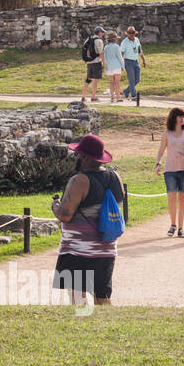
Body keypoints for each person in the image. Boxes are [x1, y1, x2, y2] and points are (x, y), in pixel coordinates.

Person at [51, 133, 123, 306]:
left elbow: (65, 215)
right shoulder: (115, 177)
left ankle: (81, 330)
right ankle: (107, 330)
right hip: (106, 249)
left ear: (84, 157)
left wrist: (55, 205)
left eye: (77, 154)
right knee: (103, 298)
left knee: (78, 298)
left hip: (78, 250)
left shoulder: (79, 180)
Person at [155, 107, 184, 238]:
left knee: (182, 199)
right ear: (174, 118)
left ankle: (181, 228)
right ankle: (172, 225)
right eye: (179, 116)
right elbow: (161, 150)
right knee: (172, 197)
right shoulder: (167, 133)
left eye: (183, 116)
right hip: (170, 169)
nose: (182, 118)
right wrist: (158, 163)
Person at [80, 25, 105, 103]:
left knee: (88, 79)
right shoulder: (99, 41)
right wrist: (104, 63)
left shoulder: (88, 39)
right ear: (99, 33)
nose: (103, 34)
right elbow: (101, 53)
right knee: (96, 79)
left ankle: (83, 97)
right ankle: (93, 97)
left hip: (89, 61)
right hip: (96, 61)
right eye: (102, 32)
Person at [120, 26, 146, 100]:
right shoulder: (124, 42)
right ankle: (134, 96)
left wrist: (143, 60)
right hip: (128, 61)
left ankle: (126, 91)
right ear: (127, 34)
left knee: (137, 79)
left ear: (134, 33)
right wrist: (121, 64)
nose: (131, 34)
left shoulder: (137, 40)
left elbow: (140, 50)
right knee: (132, 79)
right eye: (129, 33)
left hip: (136, 61)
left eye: (132, 33)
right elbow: (121, 53)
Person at [102, 31, 125, 103]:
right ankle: (118, 97)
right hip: (117, 66)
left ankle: (112, 97)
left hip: (109, 67)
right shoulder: (116, 46)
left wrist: (104, 66)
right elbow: (120, 57)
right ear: (114, 39)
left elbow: (105, 57)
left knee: (111, 83)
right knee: (117, 83)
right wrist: (123, 66)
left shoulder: (106, 47)